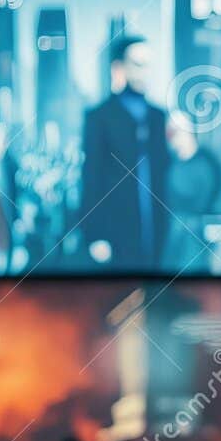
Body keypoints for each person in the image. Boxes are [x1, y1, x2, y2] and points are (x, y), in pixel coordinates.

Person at [79, 35, 172, 270]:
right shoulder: (99, 117)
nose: (145, 72)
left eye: (148, 64)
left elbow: (165, 171)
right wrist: (96, 234)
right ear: (119, 68)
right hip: (116, 227)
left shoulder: (158, 116)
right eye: (138, 64)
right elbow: (91, 177)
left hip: (157, 226)